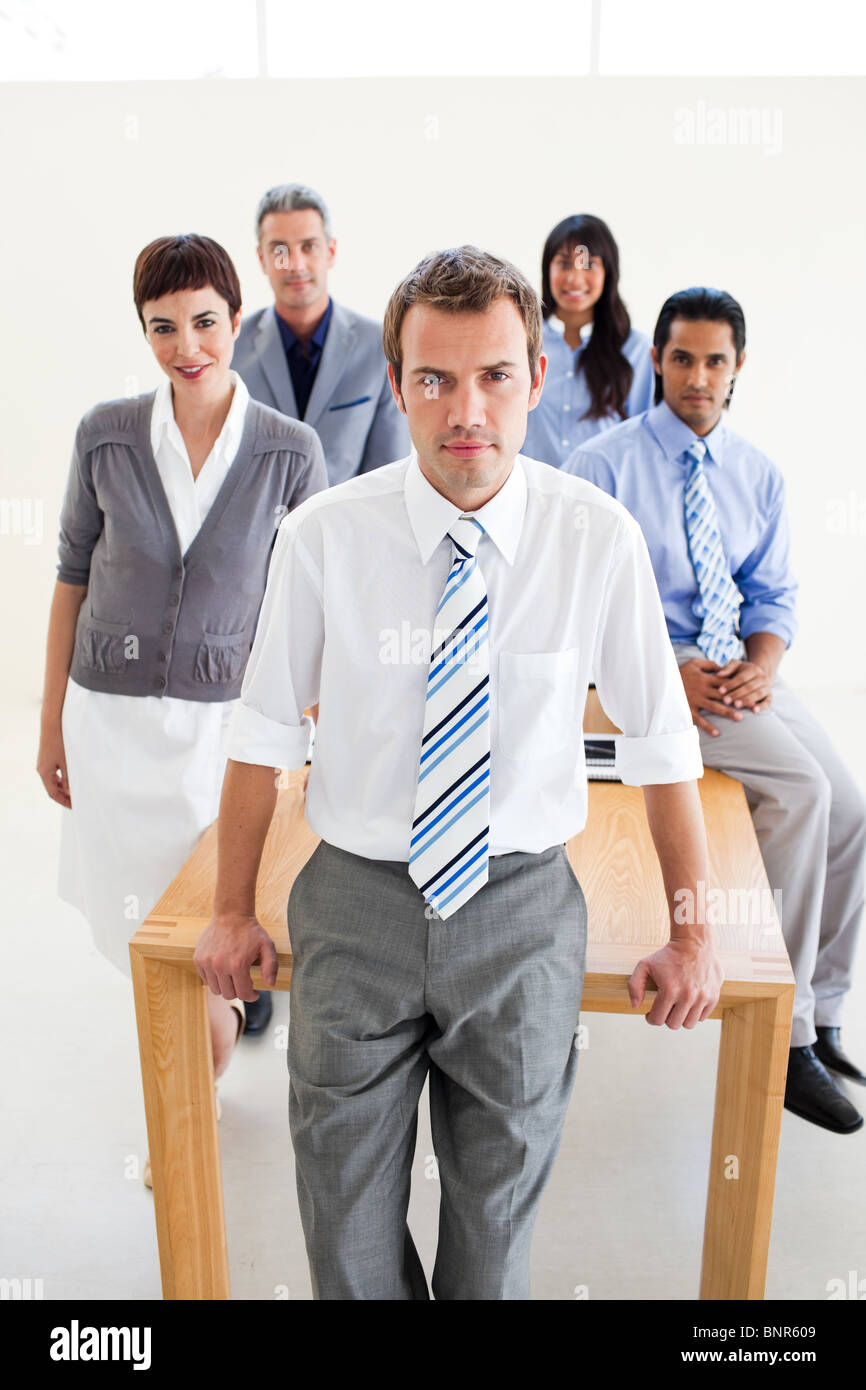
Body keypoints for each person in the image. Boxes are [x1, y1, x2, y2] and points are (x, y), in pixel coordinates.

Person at [193, 245, 722, 1301]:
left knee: (492, 1244)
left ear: (535, 378)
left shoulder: (595, 538)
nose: (464, 410)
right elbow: (262, 734)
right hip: (355, 907)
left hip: (520, 913)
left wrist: (694, 932)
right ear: (397, 384)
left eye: (494, 376)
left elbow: (663, 745)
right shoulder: (323, 536)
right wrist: (231, 909)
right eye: (433, 379)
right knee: (344, 1234)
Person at [38, 234, 328, 1183]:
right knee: (145, 946)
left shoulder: (289, 453)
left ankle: (189, 1104)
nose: (186, 346)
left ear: (237, 320)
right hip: (109, 727)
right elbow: (72, 576)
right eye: (163, 328)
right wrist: (50, 724)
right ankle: (194, 1094)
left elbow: (310, 605)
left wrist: (313, 738)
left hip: (223, 738)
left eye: (204, 322)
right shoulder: (106, 434)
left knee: (206, 928)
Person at [564, 286, 866, 1135]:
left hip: (738, 667)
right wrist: (666, 673)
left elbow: (774, 593)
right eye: (682, 358)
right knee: (802, 792)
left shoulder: (756, 473)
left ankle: (826, 1008)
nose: (698, 376)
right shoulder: (602, 466)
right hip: (652, 673)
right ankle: (784, 1038)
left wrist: (762, 668)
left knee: (851, 806)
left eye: (715, 361)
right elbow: (580, 605)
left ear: (738, 368)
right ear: (657, 361)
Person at [233, 182, 410, 485]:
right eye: (280, 250)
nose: (295, 264)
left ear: (330, 252)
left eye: (309, 247)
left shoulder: (379, 346)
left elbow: (388, 475)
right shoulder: (232, 349)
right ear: (262, 259)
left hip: (349, 516)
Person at [521, 214, 654, 470]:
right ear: (547, 269)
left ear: (608, 272)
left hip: (605, 491)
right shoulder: (522, 340)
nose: (575, 278)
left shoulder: (636, 350)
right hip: (530, 491)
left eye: (589, 264)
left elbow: (644, 443)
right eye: (564, 264)